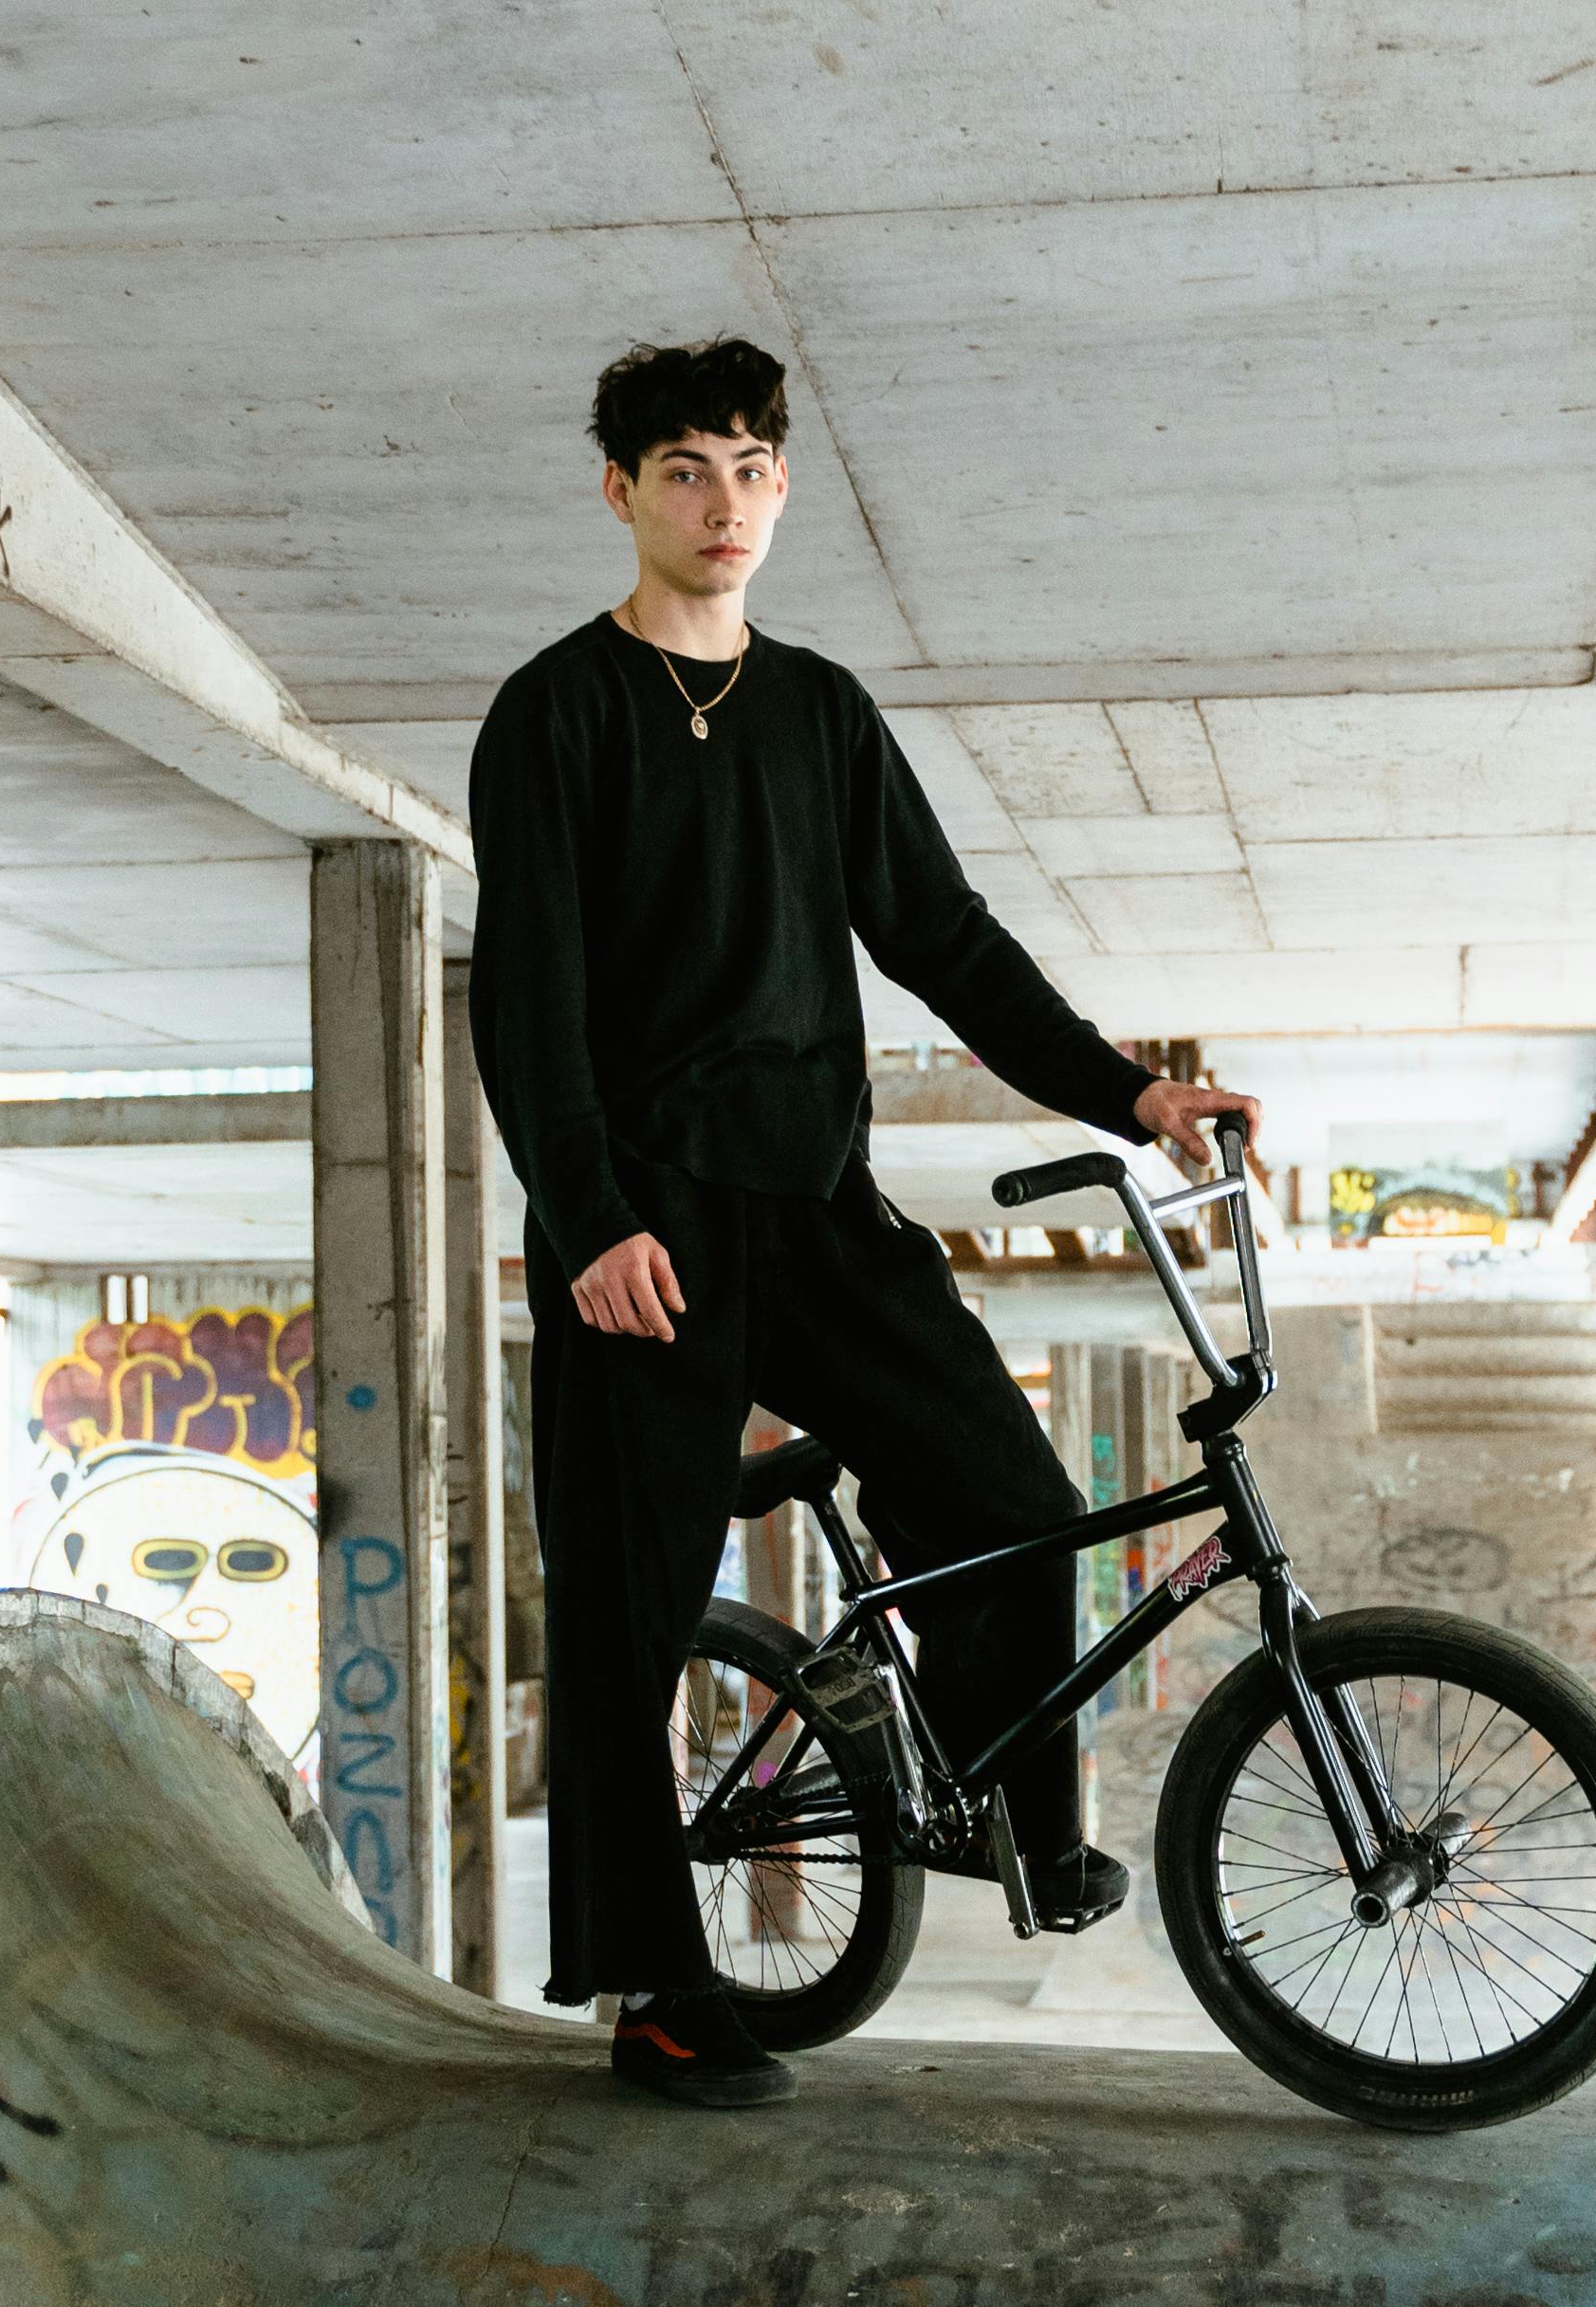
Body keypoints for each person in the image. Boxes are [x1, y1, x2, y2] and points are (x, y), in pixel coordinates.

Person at [468, 337, 1263, 2106]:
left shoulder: (823, 714)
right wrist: (585, 1215)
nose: (724, 503)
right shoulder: (556, 712)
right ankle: (656, 1994)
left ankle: (1003, 1811)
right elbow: (525, 999)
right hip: (642, 1242)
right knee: (627, 1607)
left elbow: (949, 939)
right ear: (620, 492)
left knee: (1013, 1496)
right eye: (686, 469)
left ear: (783, 490)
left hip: (817, 1207)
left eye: (752, 467)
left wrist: (1128, 1091)